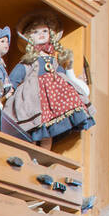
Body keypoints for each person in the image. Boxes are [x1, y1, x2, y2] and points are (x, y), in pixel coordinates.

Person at [5, 11, 95, 149]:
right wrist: (9, 87)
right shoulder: (29, 61)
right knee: (33, 127)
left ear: (50, 34)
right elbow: (15, 77)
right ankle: (32, 151)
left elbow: (63, 75)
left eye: (44, 31)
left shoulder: (54, 60)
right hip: (34, 97)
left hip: (53, 100)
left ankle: (45, 154)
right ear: (29, 37)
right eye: (35, 32)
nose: (40, 34)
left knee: (48, 133)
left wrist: (75, 82)